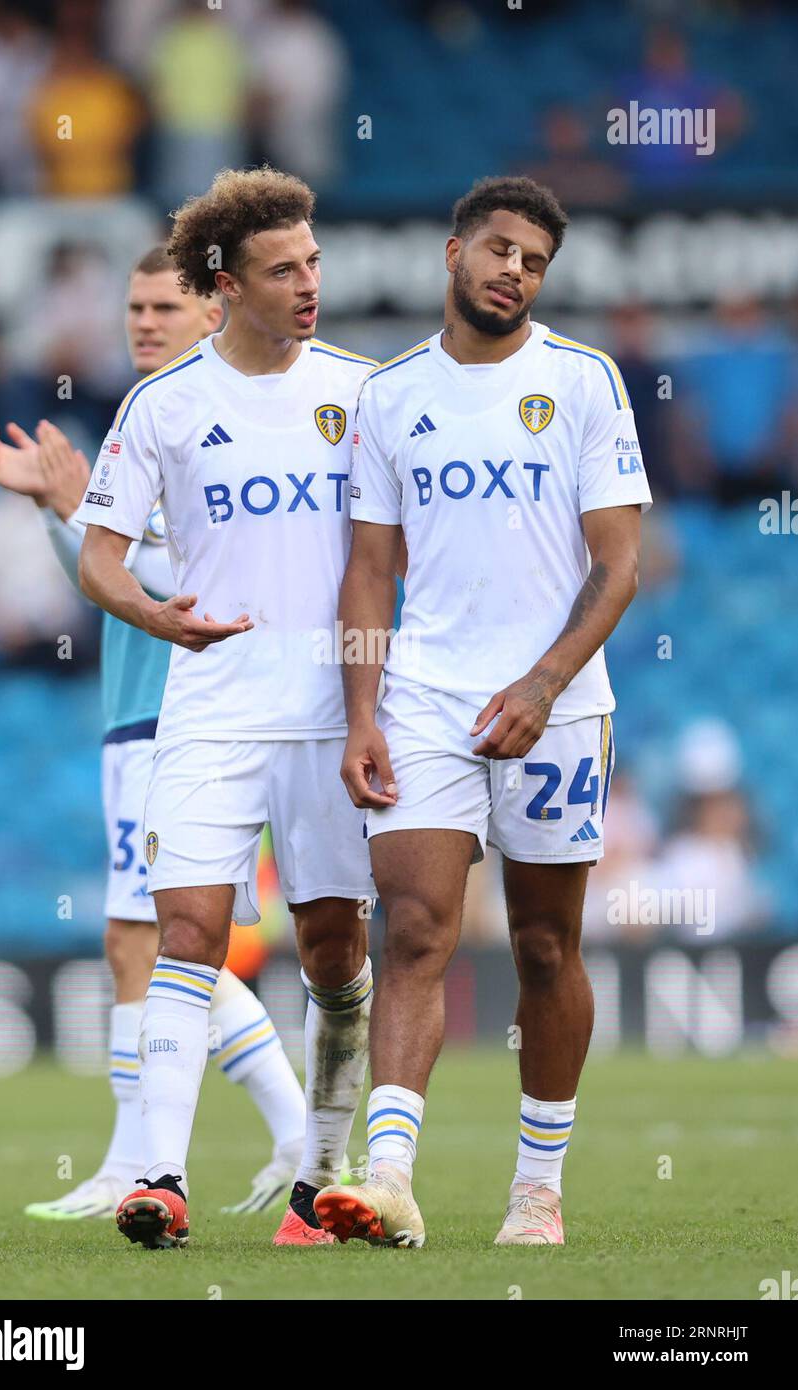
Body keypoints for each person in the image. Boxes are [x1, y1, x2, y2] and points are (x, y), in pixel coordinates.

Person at [316, 175, 652, 1248]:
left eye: (536, 262)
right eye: (500, 249)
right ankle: (391, 1178)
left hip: (556, 704)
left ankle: (536, 1187)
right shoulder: (387, 394)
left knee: (546, 947)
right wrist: (362, 712)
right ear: (453, 253)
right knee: (413, 927)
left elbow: (618, 565)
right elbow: (370, 570)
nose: (515, 271)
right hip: (422, 699)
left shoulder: (585, 381)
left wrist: (544, 684)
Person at [76, 168, 378, 1250]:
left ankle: (321, 1182)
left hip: (331, 718)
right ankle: (158, 1179)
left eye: (312, 264)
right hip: (207, 710)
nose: (308, 284)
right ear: (225, 282)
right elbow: (101, 560)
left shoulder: (362, 390)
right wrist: (162, 620)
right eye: (282, 270)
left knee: (334, 946)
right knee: (189, 932)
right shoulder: (163, 406)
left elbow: (395, 558)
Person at [0, 244, 310, 1219]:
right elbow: (109, 573)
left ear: (215, 313)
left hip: (191, 713)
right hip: (136, 706)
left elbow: (183, 575)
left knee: (162, 940)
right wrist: (59, 508)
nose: (142, 322)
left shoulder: (212, 424)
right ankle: (146, 1153)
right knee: (143, 939)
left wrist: (75, 509)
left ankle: (251, 1135)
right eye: (132, 305)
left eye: (165, 305)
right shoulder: (146, 425)